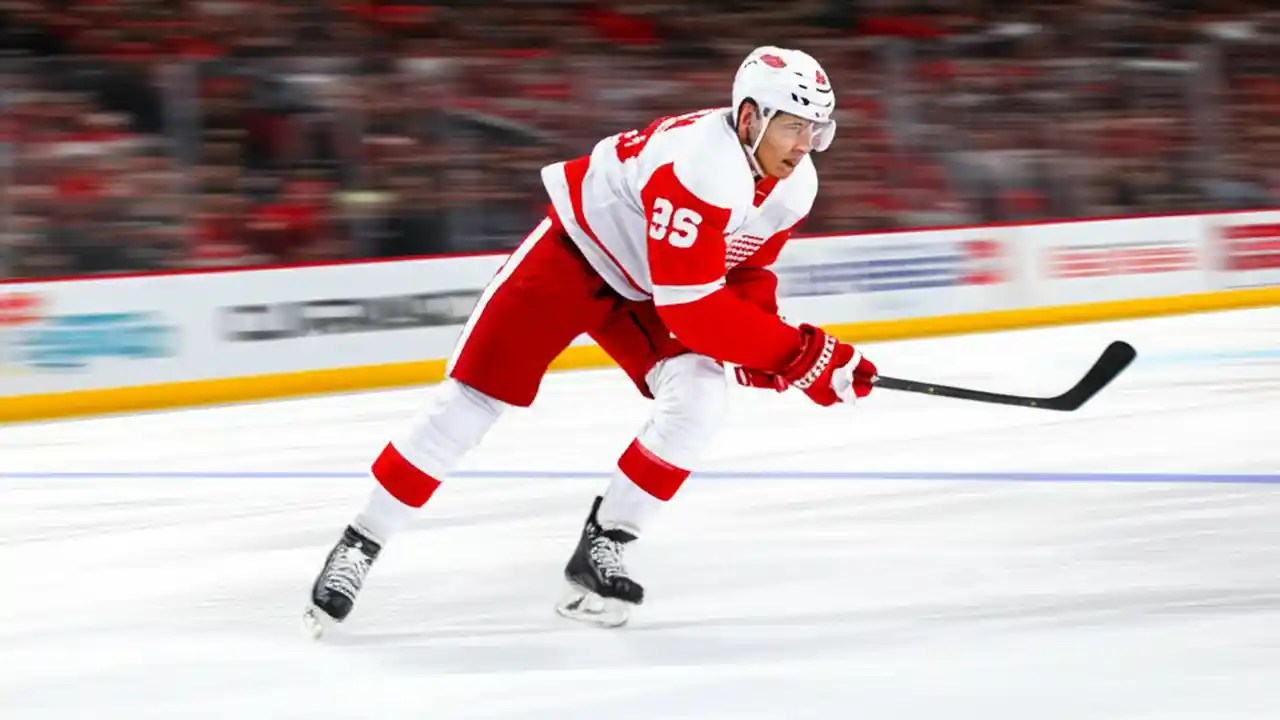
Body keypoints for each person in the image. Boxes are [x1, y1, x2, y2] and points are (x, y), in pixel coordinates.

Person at [303, 46, 879, 635]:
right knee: (471, 402)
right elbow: (694, 310)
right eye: (793, 125)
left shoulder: (793, 185)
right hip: (575, 254)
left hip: (650, 283)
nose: (806, 143)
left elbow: (742, 273)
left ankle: (602, 546)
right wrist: (801, 355)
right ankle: (361, 542)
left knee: (701, 396)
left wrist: (777, 352)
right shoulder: (703, 162)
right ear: (751, 118)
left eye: (816, 128)